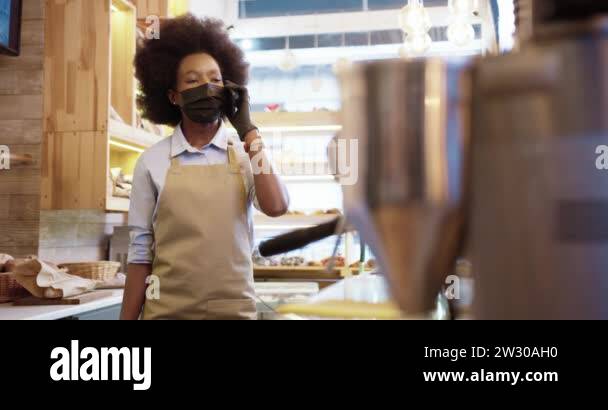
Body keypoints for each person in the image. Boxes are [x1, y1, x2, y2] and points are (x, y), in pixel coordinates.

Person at [120, 14, 289, 320]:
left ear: (229, 89)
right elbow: (140, 254)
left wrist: (249, 130)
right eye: (193, 81)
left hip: (235, 314)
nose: (207, 88)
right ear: (173, 96)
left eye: (215, 79)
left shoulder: (245, 154)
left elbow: (277, 206)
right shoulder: (152, 162)